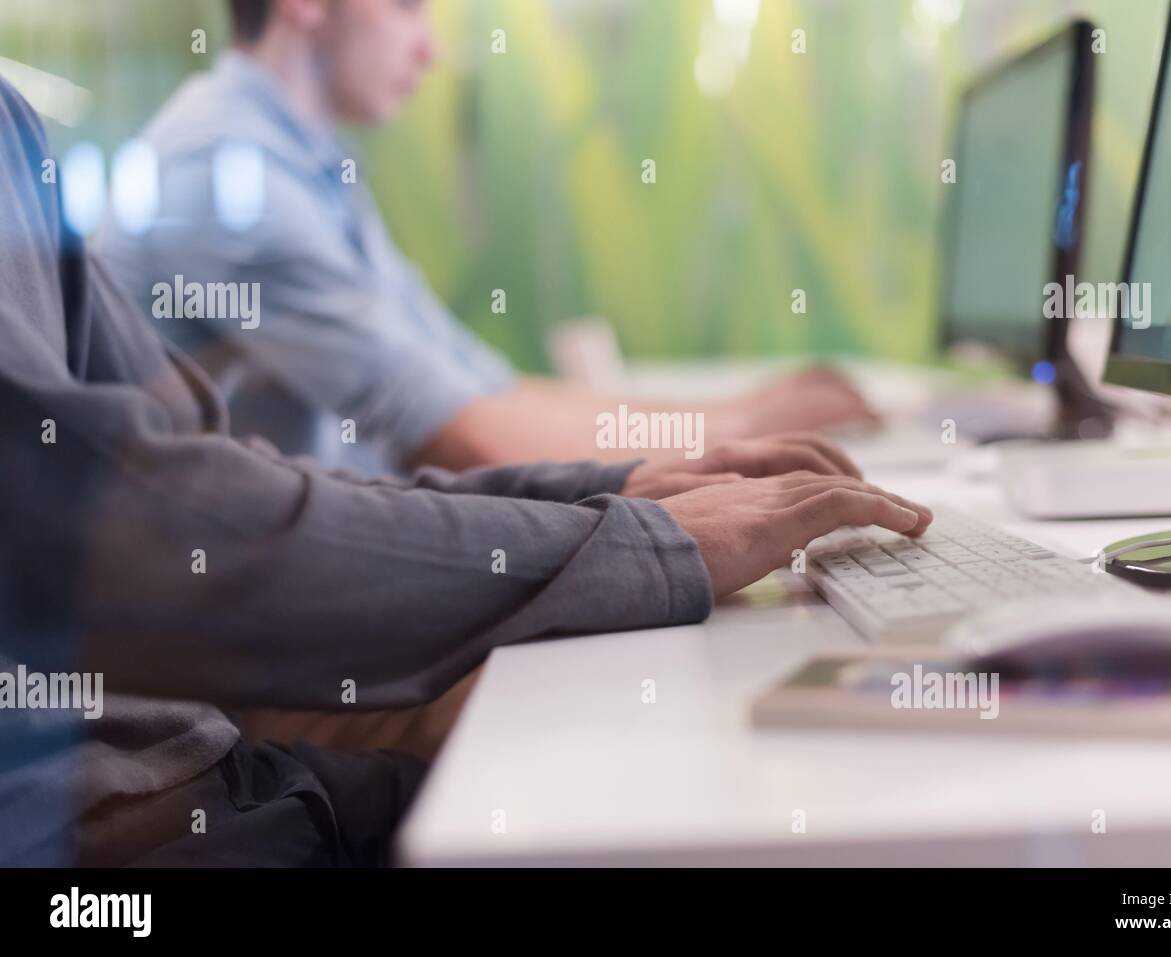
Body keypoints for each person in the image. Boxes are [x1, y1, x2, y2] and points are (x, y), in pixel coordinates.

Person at [0, 80, 930, 865]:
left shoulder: (37, 128)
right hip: (134, 802)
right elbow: (163, 534)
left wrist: (623, 487)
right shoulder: (224, 170)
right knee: (678, 752)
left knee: (666, 709)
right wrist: (657, 518)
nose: (430, 38)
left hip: (204, 724)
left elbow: (233, 467)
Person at [94, 0, 880, 477]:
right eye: (408, 5)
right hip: (224, 656)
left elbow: (482, 388)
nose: (431, 47)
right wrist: (745, 432)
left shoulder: (307, 162)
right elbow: (472, 438)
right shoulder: (230, 179)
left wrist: (742, 411)